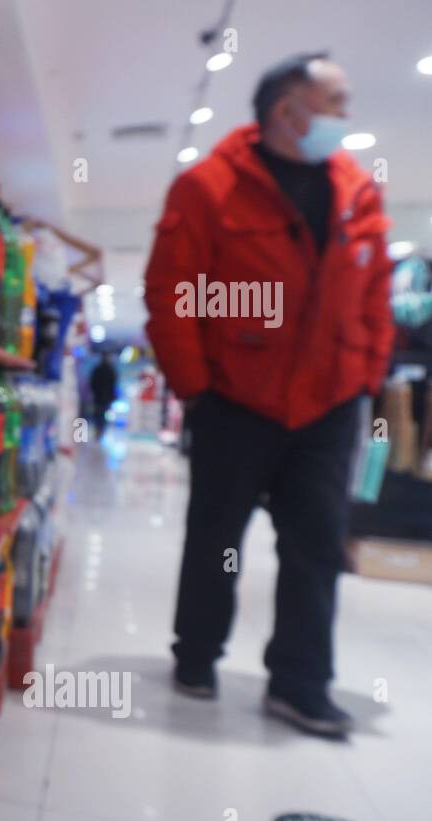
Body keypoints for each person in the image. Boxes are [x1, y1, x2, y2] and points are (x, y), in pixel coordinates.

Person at [143, 53, 394, 737]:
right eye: (335, 101)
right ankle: (196, 654)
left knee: (317, 544)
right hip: (236, 400)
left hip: (331, 404)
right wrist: (196, 390)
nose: (346, 115)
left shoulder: (358, 192)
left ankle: (301, 683)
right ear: (289, 109)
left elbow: (374, 297)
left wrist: (366, 375)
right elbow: (172, 294)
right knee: (216, 538)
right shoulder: (209, 187)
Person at [88, 352, 118, 438]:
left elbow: (92, 383)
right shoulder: (110, 370)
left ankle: (99, 429)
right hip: (105, 397)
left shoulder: (98, 369)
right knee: (102, 414)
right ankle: (100, 430)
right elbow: (113, 384)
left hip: (99, 396)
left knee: (98, 414)